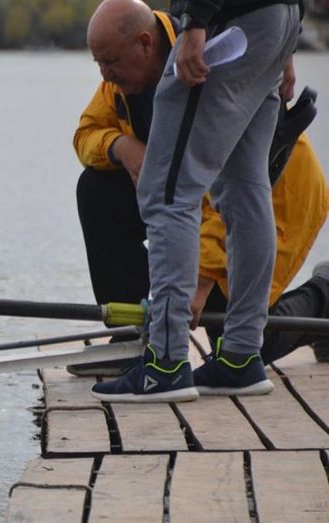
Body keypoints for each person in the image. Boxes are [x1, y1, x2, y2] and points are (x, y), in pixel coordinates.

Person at [72, 0, 328, 380]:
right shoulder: (122, 79)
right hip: (275, 21)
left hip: (282, 200)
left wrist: (203, 277)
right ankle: (135, 334)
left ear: (145, 44)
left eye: (109, 63)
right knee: (97, 187)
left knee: (250, 336)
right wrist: (120, 146)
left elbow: (211, 194)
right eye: (99, 64)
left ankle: (322, 298)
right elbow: (85, 133)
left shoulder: (200, 60)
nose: (105, 75)